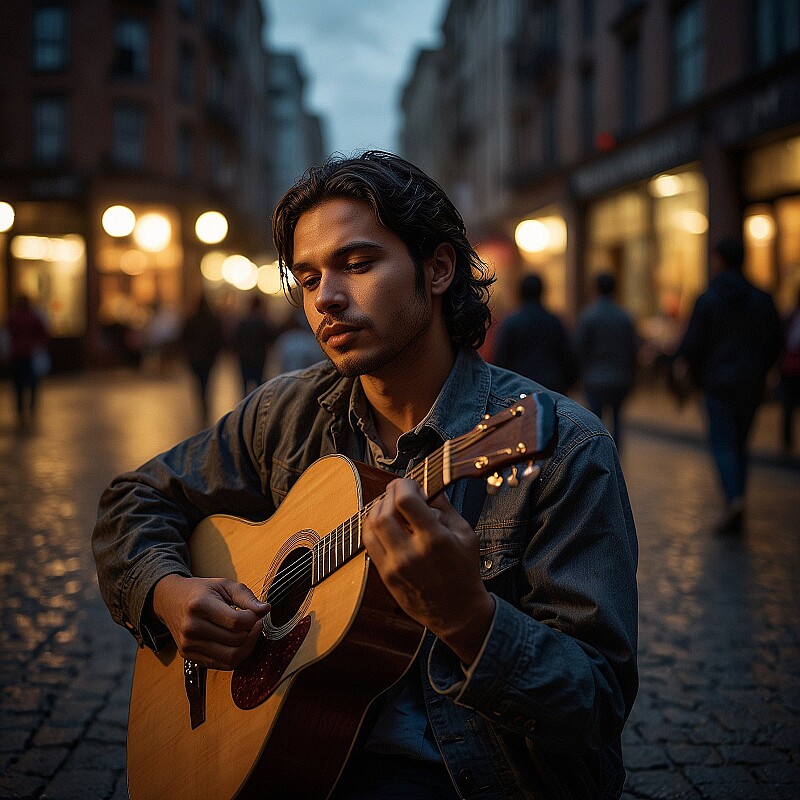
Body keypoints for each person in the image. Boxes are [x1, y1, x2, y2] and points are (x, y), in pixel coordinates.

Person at [93, 151, 638, 799]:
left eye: (357, 264)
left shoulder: (562, 446)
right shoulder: (286, 414)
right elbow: (133, 499)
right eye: (307, 276)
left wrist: (470, 619)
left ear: (437, 270)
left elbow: (596, 704)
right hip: (296, 764)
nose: (326, 296)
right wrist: (169, 595)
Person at [675, 237, 783, 534]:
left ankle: (733, 499)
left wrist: (691, 373)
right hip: (750, 383)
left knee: (723, 443)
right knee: (740, 443)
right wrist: (761, 369)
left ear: (720, 260)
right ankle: (738, 498)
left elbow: (691, 343)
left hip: (717, 383)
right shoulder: (762, 298)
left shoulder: (708, 298)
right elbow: (777, 340)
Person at [575, 273, 639, 449]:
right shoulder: (624, 316)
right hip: (620, 377)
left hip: (595, 378)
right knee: (618, 420)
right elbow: (633, 349)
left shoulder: (589, 315)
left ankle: (600, 456)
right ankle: (615, 456)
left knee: (595, 423)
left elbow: (580, 348)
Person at [492, 273, 578, 395]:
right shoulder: (554, 321)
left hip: (519, 386)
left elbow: (501, 358)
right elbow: (567, 356)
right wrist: (569, 382)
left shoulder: (512, 323)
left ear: (520, 292)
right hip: (552, 386)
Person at [180, 294, 224, 425]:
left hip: (195, 358)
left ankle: (202, 405)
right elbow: (218, 340)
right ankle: (205, 406)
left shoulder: (191, 321)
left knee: (199, 384)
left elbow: (184, 338)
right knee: (206, 383)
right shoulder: (212, 321)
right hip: (208, 359)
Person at [6, 294, 49, 423]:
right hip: (29, 353)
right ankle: (31, 406)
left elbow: (8, 333)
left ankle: (20, 409)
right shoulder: (33, 317)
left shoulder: (13, 316)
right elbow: (43, 333)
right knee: (32, 382)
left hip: (18, 354)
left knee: (18, 383)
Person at [233, 294, 278, 396]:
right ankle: (256, 407)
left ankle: (246, 407)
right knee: (258, 385)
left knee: (244, 385)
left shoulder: (243, 321)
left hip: (244, 358)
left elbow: (236, 339)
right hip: (259, 358)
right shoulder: (263, 321)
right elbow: (272, 338)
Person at [777, 288, 800, 458]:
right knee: (788, 407)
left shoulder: (791, 317)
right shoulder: (791, 317)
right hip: (789, 369)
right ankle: (786, 442)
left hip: (791, 367)